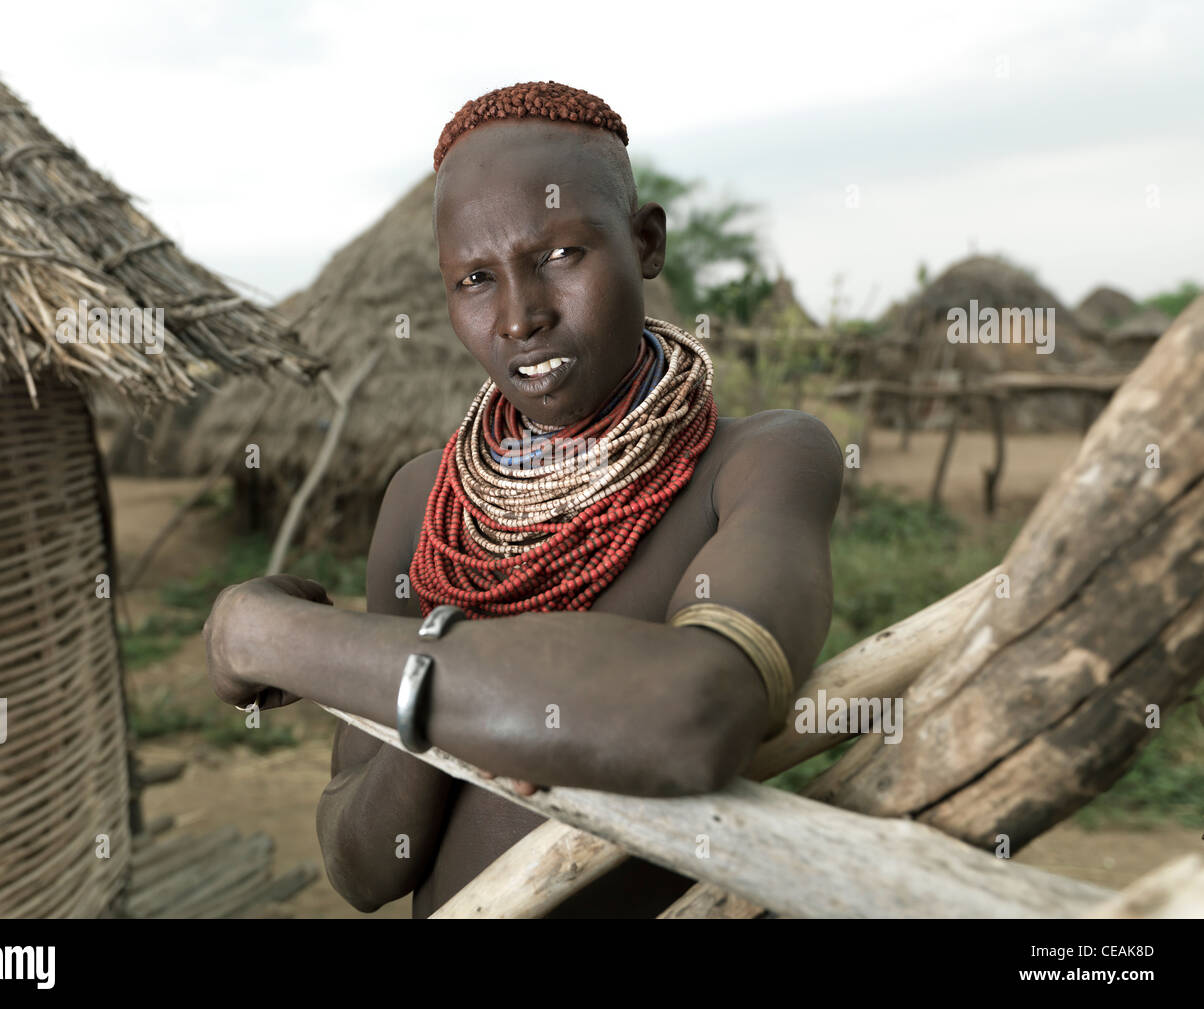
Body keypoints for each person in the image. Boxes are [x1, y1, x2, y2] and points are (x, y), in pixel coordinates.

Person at [203, 81, 842, 918]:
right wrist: (482, 698)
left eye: (559, 256)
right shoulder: (425, 503)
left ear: (646, 242)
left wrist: (275, 637)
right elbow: (361, 867)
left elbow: (699, 713)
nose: (519, 317)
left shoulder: (759, 461)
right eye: (474, 277)